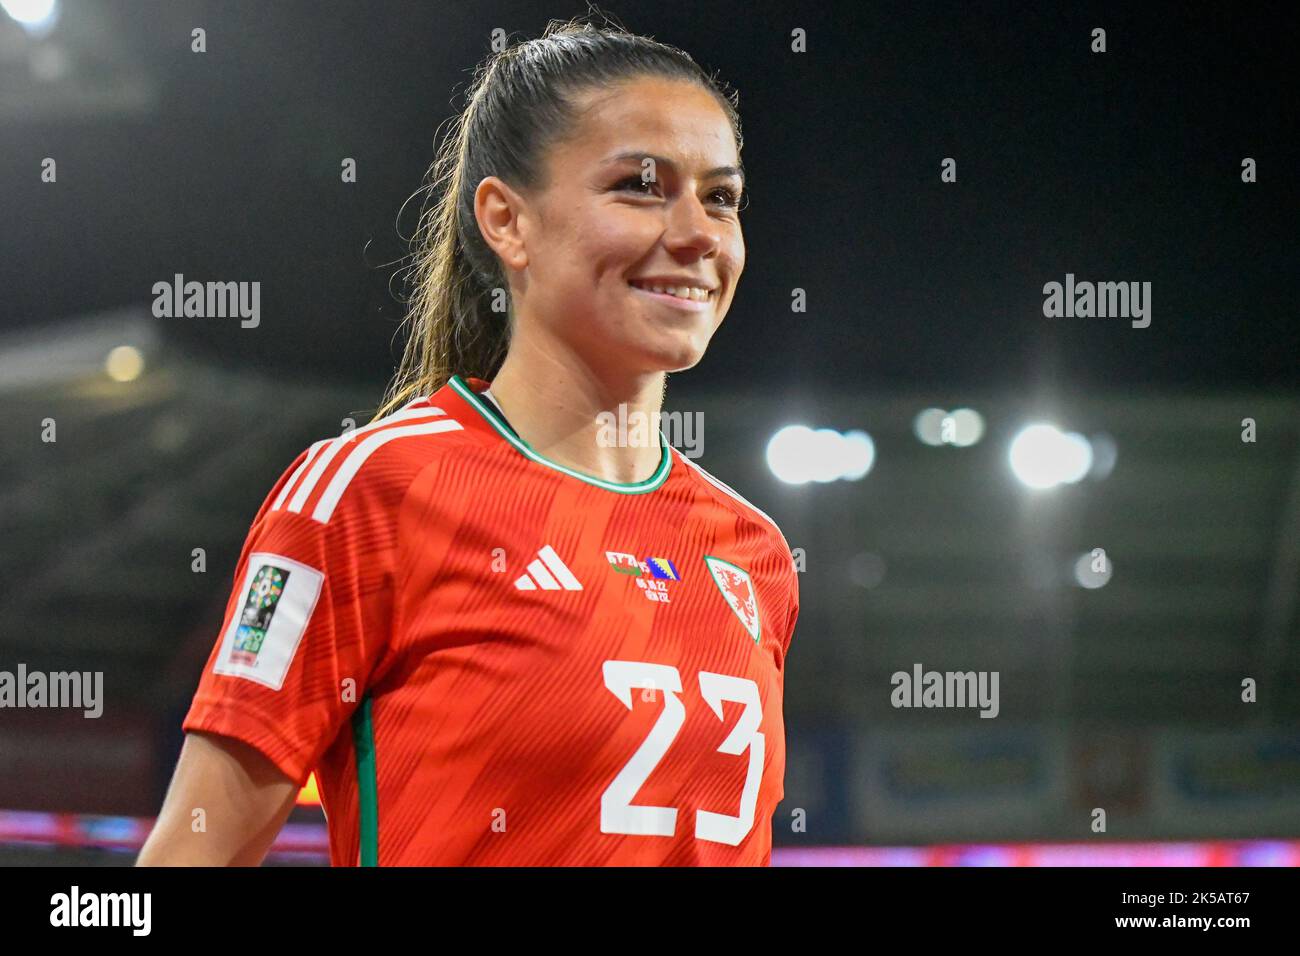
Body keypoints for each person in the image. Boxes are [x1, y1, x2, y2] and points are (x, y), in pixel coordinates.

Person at [138, 17, 799, 866]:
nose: (699, 233)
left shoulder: (757, 556)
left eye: (720, 197)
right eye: (640, 186)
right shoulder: (370, 492)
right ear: (507, 220)